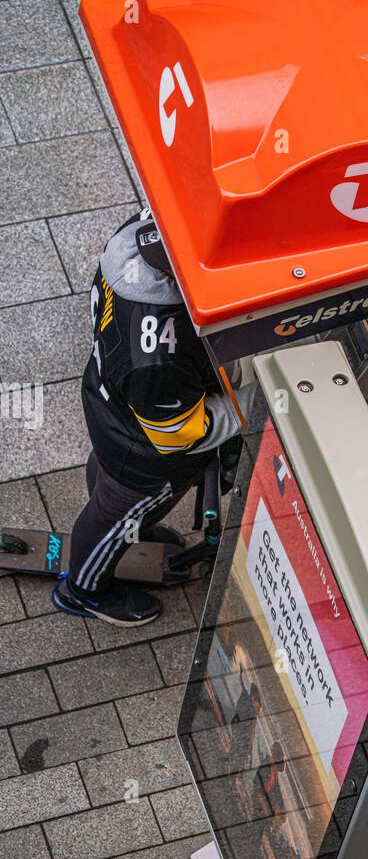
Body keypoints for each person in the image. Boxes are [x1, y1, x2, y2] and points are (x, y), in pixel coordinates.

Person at [53, 209, 255, 628]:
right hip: (144, 452)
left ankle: (131, 529)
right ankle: (84, 591)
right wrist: (254, 404)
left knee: (110, 489)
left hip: (111, 407)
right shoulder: (155, 358)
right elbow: (179, 434)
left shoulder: (139, 236)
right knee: (116, 514)